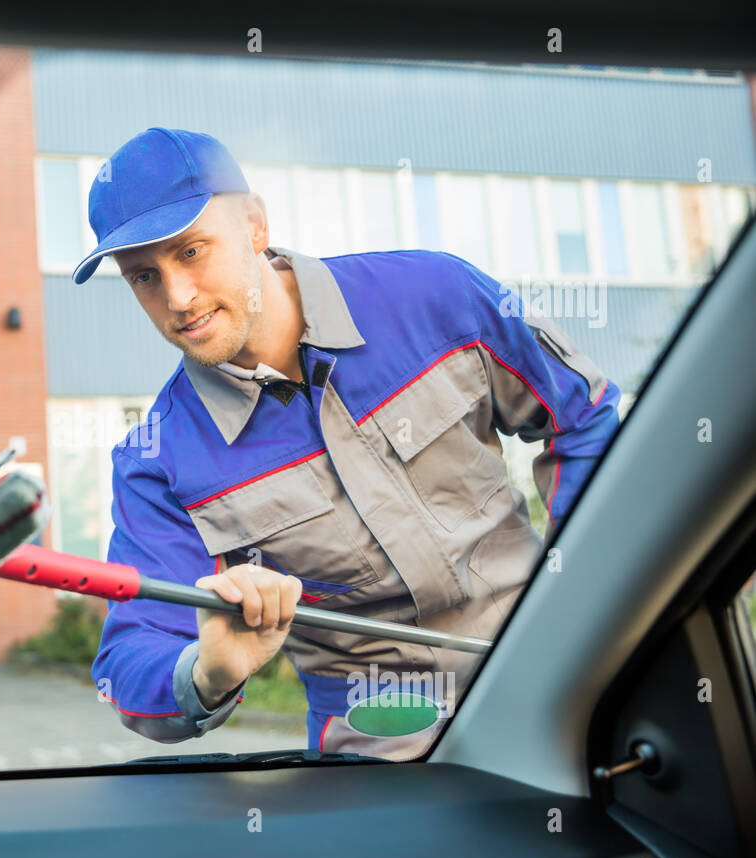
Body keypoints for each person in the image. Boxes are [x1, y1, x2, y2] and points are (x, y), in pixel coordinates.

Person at [76, 128, 621, 758]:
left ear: (254, 224)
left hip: (561, 678)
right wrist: (209, 669)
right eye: (144, 276)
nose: (177, 298)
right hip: (378, 752)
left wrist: (580, 587)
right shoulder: (158, 462)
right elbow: (129, 656)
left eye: (192, 251)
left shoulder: (436, 295)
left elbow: (584, 416)